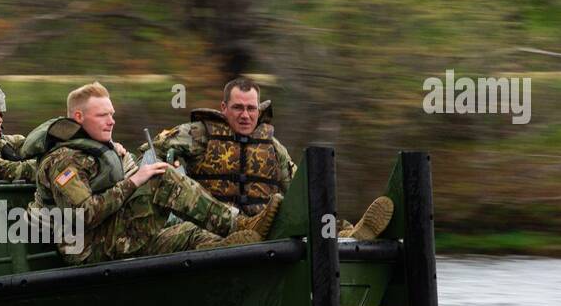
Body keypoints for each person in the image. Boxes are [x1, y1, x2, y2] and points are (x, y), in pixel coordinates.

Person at [23, 82, 279, 265]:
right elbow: (83, 215)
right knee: (160, 178)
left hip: (112, 236)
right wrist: (134, 181)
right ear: (78, 117)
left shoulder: (96, 150)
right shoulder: (63, 161)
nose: (112, 121)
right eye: (103, 115)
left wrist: (131, 167)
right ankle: (239, 223)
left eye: (112, 114)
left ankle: (237, 247)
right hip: (87, 249)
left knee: (189, 234)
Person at [146, 76, 392, 240]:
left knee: (306, 205)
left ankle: (347, 235)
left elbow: (299, 191)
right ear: (223, 108)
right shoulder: (196, 135)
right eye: (238, 108)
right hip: (212, 231)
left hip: (265, 230)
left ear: (259, 109)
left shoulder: (272, 148)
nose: (245, 115)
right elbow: (146, 155)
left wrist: (328, 218)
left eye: (251, 108)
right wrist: (170, 162)